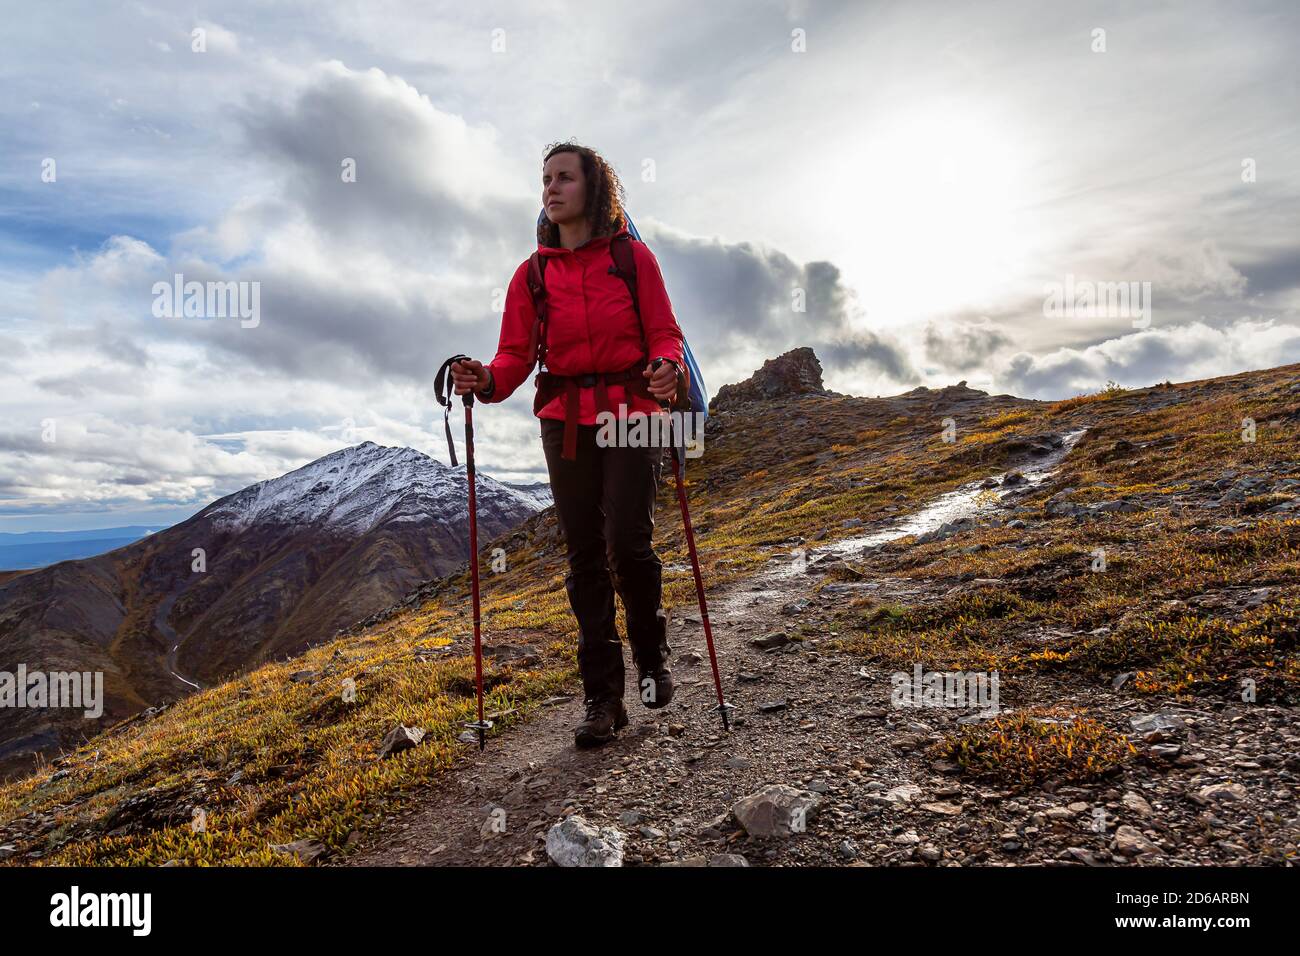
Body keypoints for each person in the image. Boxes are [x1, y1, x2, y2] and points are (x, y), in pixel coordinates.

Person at [450, 141, 690, 747]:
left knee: (627, 543)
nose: (551, 189)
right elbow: (514, 357)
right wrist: (487, 379)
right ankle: (602, 699)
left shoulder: (633, 259)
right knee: (584, 553)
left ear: (593, 188)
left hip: (634, 412)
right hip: (565, 419)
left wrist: (667, 367)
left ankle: (652, 658)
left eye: (564, 178)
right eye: (545, 180)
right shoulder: (531, 275)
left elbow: (664, 332)